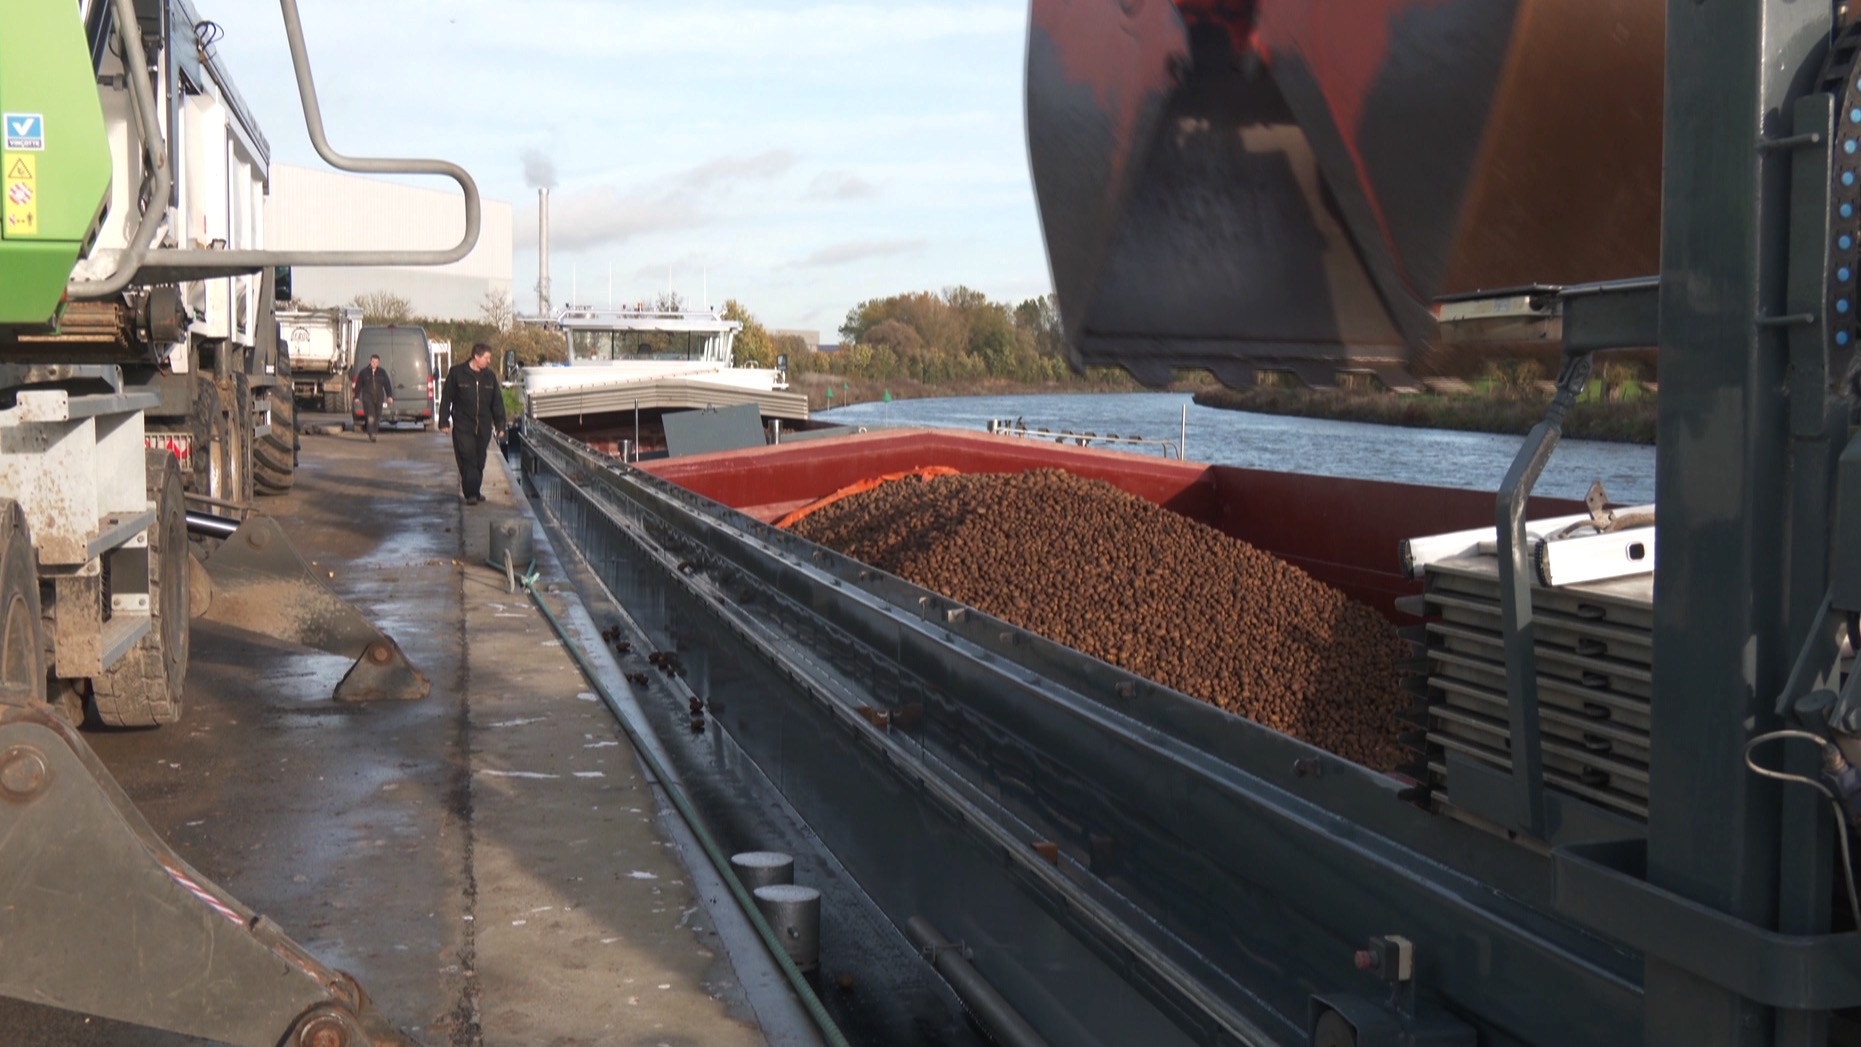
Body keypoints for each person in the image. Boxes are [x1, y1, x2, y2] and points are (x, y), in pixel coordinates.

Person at [439, 343, 507, 505]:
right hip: (463, 424)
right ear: (476, 357)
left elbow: (497, 402)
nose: (489, 361)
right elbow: (446, 398)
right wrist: (444, 421)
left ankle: (474, 490)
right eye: (487, 358)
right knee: (468, 457)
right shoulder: (457, 373)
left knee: (480, 459)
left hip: (483, 424)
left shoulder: (489, 377)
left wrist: (500, 426)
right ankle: (471, 494)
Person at [352, 354, 394, 442]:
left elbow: (387, 384)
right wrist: (356, 397)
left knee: (377, 417)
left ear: (378, 363)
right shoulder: (363, 372)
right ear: (370, 361)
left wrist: (389, 396)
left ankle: (374, 431)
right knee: (370, 416)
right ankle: (372, 434)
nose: (374, 363)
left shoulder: (382, 372)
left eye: (376, 362)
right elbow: (358, 385)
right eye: (373, 362)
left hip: (379, 398)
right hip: (368, 398)